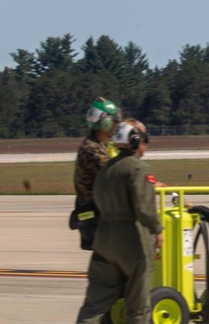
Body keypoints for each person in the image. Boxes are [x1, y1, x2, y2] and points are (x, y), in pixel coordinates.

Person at [75, 119, 164, 324]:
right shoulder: (138, 168)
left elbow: (97, 198)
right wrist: (157, 230)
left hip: (104, 237)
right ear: (135, 141)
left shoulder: (106, 169)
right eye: (145, 140)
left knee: (95, 303)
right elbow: (144, 208)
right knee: (138, 304)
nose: (146, 144)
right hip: (131, 238)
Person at [72, 97, 121, 250]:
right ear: (105, 123)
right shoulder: (92, 150)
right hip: (96, 214)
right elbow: (117, 176)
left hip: (100, 212)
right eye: (114, 121)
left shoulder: (100, 146)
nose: (117, 125)